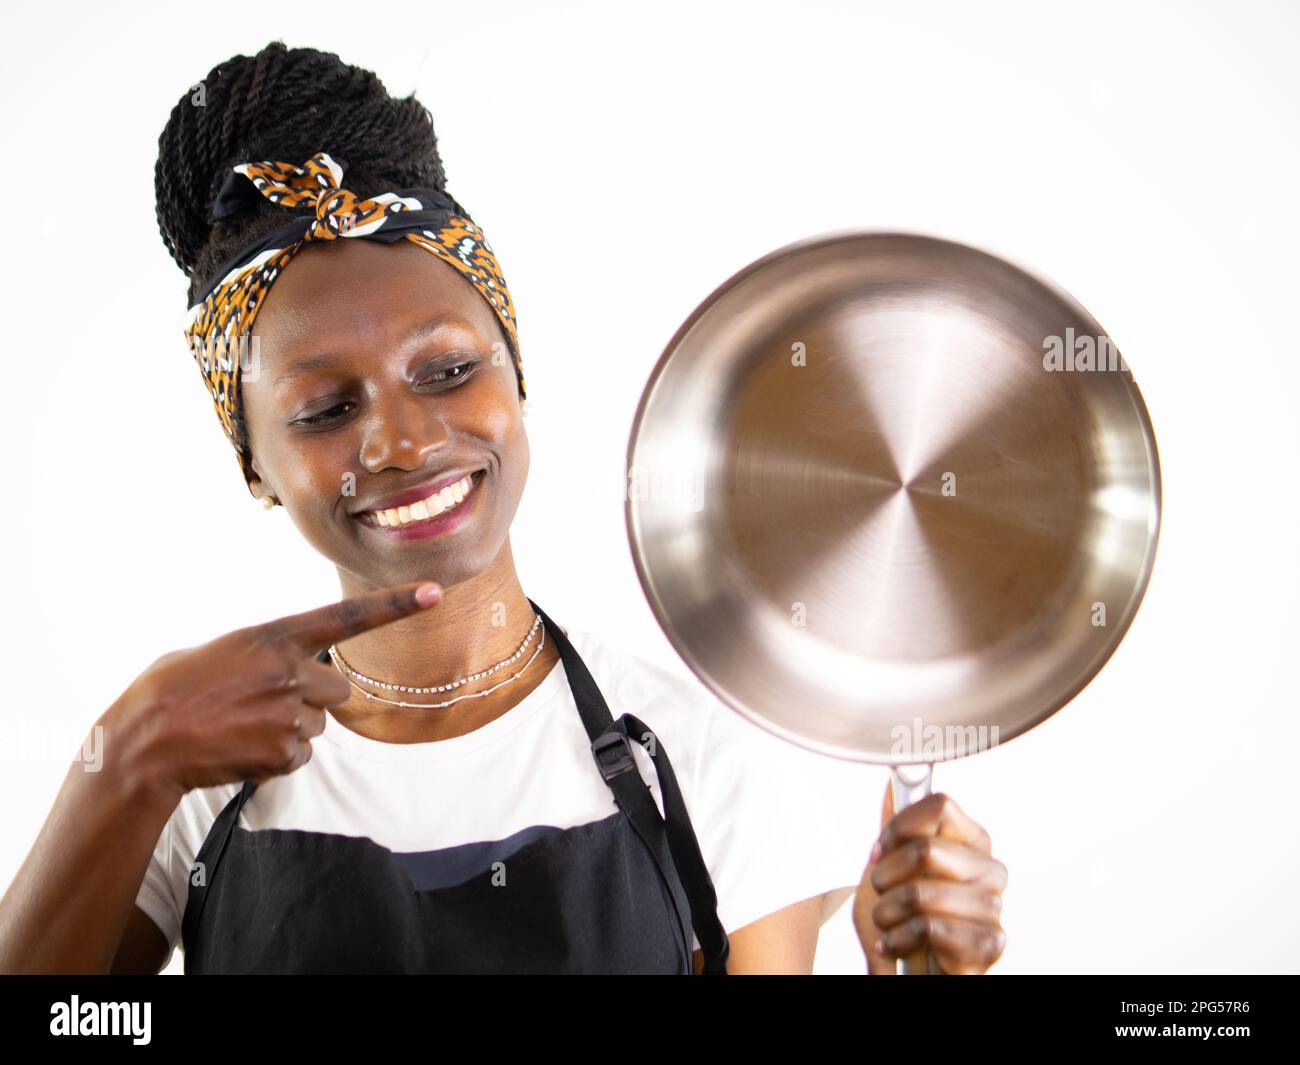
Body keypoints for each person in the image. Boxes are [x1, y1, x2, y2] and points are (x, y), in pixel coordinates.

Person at [0, 41, 1007, 975]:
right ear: (253, 464)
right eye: (326, 407)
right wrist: (120, 760)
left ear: (515, 373)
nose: (402, 441)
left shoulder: (693, 757)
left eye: (445, 369)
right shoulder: (196, 772)